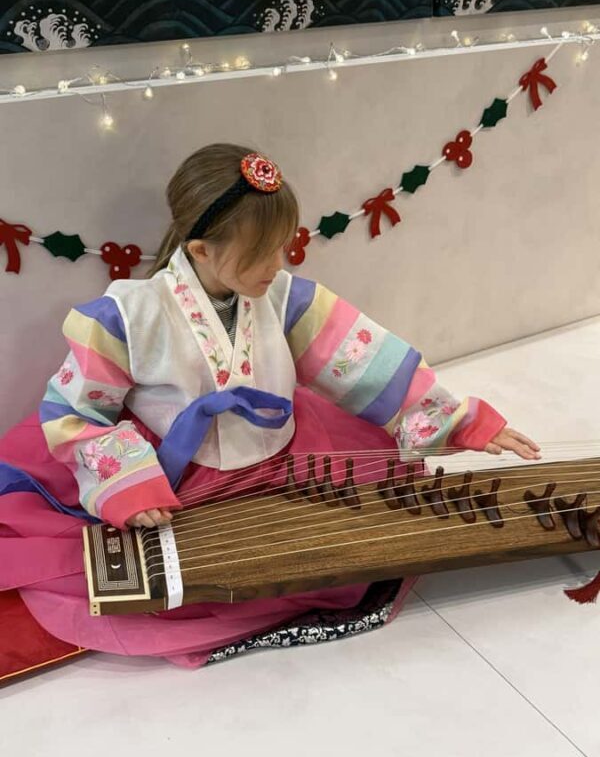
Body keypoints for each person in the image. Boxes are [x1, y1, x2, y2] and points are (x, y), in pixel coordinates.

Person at [0, 144, 540, 668]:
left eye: (283, 246)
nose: (276, 264)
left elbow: (368, 360)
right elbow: (78, 412)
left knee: (339, 557)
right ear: (200, 250)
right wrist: (130, 484)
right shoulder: (126, 315)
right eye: (260, 252)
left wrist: (461, 420)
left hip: (286, 459)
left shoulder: (285, 296)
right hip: (187, 477)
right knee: (200, 591)